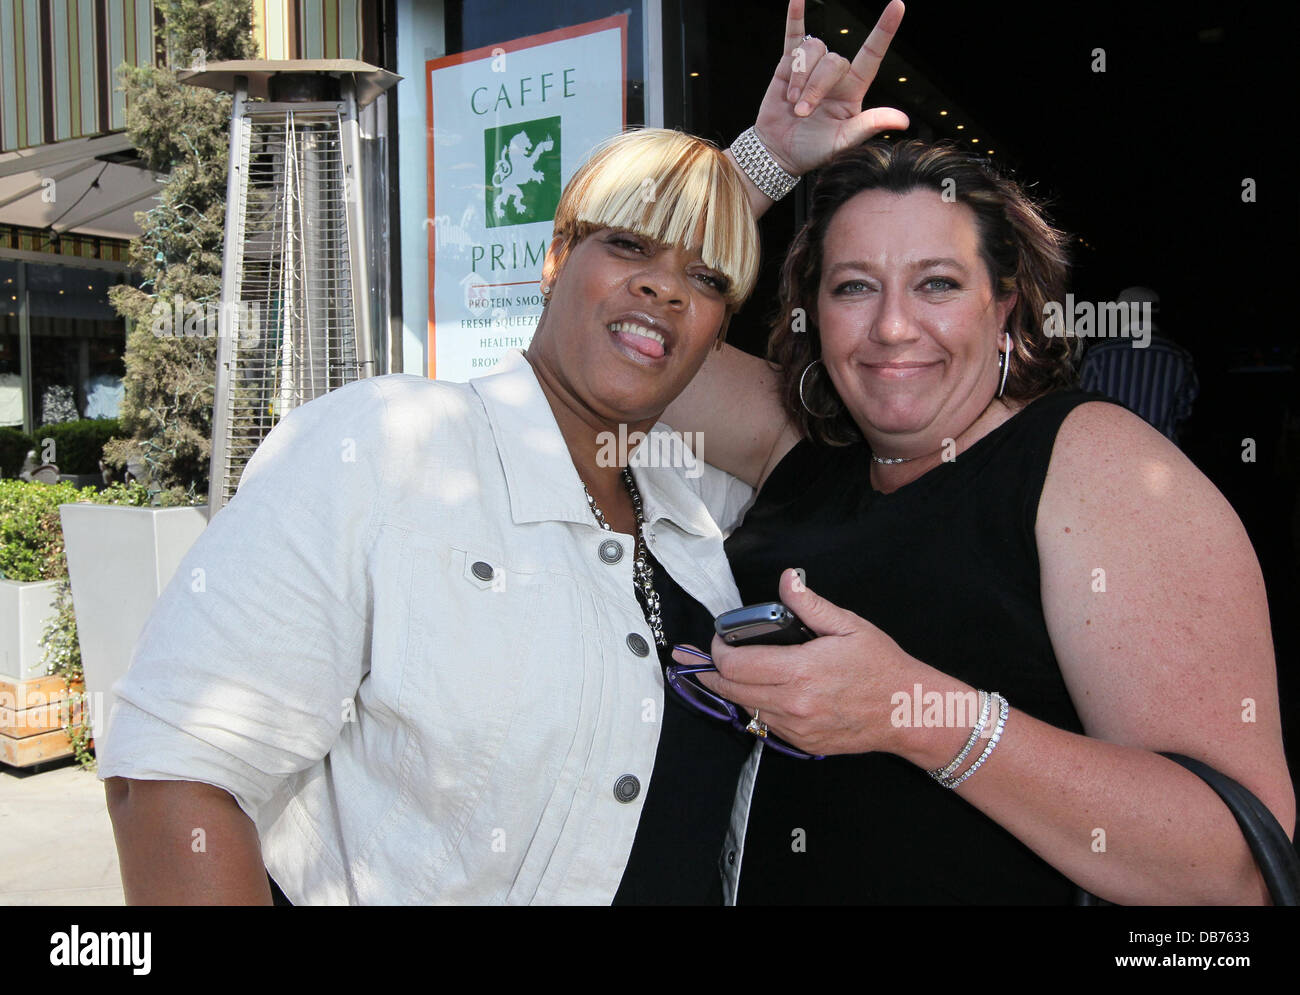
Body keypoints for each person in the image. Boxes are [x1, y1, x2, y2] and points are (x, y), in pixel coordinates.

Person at [97, 126, 771, 905]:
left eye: (706, 277)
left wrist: (765, 166)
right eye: (626, 245)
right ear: (555, 259)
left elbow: (835, 415)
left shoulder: (695, 508)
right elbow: (174, 771)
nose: (664, 288)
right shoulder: (386, 445)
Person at [663, 137, 1295, 903]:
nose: (893, 327)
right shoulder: (799, 447)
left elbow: (1229, 869)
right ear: (813, 312)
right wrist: (763, 164)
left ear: (1004, 309)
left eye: (937, 284)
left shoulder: (1092, 463)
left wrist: (913, 712)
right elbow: (612, 314)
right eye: (855, 287)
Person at [1078, 286, 1199, 444]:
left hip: (1108, 450)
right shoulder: (1180, 357)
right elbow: (1184, 412)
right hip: (1161, 453)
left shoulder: (1099, 354)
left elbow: (1083, 406)